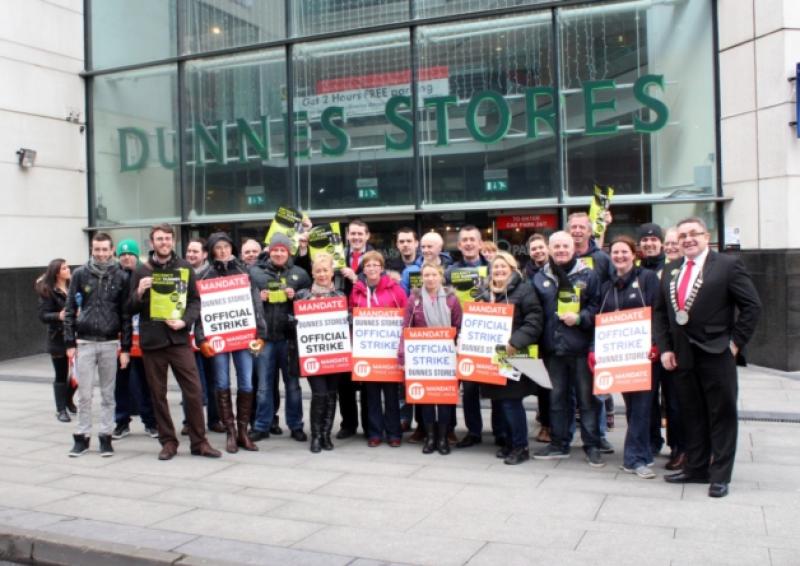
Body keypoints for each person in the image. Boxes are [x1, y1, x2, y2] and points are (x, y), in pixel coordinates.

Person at [655, 217, 761, 498]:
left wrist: (736, 343)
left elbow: (751, 306)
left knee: (721, 414)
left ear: (706, 236)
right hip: (682, 355)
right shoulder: (670, 270)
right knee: (692, 413)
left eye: (694, 234)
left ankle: (720, 475)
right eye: (683, 236)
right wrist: (665, 348)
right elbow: (661, 313)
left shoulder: (727, 265)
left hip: (717, 353)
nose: (688, 239)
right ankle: (697, 468)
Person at [129, 223, 221, 461]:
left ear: (173, 241)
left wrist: (185, 322)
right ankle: (168, 441)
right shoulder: (141, 270)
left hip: (178, 339)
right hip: (152, 342)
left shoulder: (184, 267)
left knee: (194, 391)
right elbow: (128, 308)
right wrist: (138, 293)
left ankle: (199, 442)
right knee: (157, 394)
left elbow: (195, 301)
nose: (164, 242)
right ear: (152, 243)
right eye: (159, 239)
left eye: (168, 238)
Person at [532, 231, 604, 467]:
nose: (561, 250)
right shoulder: (540, 278)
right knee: (557, 399)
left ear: (573, 249)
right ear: (550, 250)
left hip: (580, 348)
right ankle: (559, 443)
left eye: (565, 246)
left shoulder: (588, 274)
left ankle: (592, 445)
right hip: (553, 350)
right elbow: (536, 314)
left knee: (587, 401)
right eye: (557, 247)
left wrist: (581, 318)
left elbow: (597, 307)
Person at [194, 232, 266, 453]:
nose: (223, 251)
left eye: (226, 246)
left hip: (243, 337)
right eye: (218, 247)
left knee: (246, 383)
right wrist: (201, 338)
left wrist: (261, 333)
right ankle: (231, 432)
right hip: (218, 338)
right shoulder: (204, 275)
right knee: (222, 383)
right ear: (212, 250)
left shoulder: (245, 272)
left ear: (232, 248)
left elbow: (256, 304)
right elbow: (199, 310)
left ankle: (244, 431)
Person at [595, 236, 660, 478]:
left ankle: (634, 459)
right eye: (615, 253)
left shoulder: (647, 279)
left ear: (634, 254)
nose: (619, 256)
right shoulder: (607, 285)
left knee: (642, 406)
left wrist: (656, 344)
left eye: (624, 252)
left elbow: (657, 312)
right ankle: (647, 450)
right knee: (634, 407)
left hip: (645, 355)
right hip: (619, 358)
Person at [63, 232, 132, 457]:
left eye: (104, 249)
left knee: (108, 394)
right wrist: (69, 341)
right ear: (92, 249)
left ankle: (106, 436)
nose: (101, 253)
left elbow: (125, 315)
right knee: (84, 394)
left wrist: (126, 348)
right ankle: (82, 437)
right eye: (97, 249)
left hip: (110, 342)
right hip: (84, 342)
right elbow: (70, 309)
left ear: (112, 250)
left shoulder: (121, 276)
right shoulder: (80, 274)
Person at [479, 252, 544, 465]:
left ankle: (520, 446)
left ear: (512, 268)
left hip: (514, 355)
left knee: (511, 402)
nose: (498, 270)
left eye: (502, 267)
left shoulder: (524, 289)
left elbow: (534, 320)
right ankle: (508, 442)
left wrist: (515, 342)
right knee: (500, 402)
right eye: (495, 267)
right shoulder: (485, 292)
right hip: (493, 357)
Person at [249, 232, 312, 443]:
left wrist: (297, 297)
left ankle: (296, 426)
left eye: (282, 250)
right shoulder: (254, 272)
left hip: (289, 339)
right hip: (264, 338)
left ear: (288, 252)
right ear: (269, 251)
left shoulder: (300, 273)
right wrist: (258, 298)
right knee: (264, 386)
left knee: (293, 386)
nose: (278, 253)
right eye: (275, 249)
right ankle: (261, 426)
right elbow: (244, 301)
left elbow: (309, 301)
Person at [399, 262, 462, 455]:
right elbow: (406, 328)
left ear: (440, 276)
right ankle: (430, 437)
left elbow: (459, 327)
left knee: (443, 398)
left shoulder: (452, 299)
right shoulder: (414, 299)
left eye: (434, 275)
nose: (430, 279)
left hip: (445, 357)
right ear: (422, 277)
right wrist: (402, 356)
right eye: (426, 275)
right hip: (423, 357)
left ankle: (442, 438)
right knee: (425, 399)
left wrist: (459, 350)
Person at [637, 223, 685, 470]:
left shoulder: (675, 268)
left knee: (674, 399)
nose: (649, 244)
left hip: (670, 345)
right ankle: (652, 441)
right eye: (644, 241)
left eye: (654, 240)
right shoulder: (637, 270)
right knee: (647, 398)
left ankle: (678, 447)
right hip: (644, 346)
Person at [350, 251, 408, 447]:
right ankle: (375, 433)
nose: (372, 268)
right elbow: (352, 315)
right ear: (363, 269)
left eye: (376, 265)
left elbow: (405, 317)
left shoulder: (395, 289)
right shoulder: (357, 290)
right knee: (371, 395)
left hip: (390, 352)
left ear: (382, 268)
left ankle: (394, 433)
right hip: (367, 352)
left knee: (392, 395)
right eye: (368, 265)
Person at [295, 252, 346, 453]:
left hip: (334, 354)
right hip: (313, 354)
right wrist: (295, 321)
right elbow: (294, 326)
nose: (322, 274)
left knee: (332, 394)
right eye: (318, 271)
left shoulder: (340, 296)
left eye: (325, 270)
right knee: (319, 393)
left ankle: (326, 434)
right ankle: (315, 436)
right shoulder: (303, 296)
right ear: (312, 273)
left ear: (332, 272)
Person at [112, 239, 158, 440]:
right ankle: (121, 422)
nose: (126, 257)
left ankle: (150, 422)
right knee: (121, 384)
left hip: (144, 337)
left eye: (130, 254)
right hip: (121, 338)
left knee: (146, 383)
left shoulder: (146, 274)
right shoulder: (114, 277)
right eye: (122, 255)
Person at [336, 219, 374, 439]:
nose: (356, 237)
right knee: (344, 378)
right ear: (347, 236)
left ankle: (370, 426)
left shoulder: (375, 258)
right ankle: (348, 424)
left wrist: (357, 277)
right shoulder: (338, 255)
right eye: (353, 234)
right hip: (343, 322)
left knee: (368, 375)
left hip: (367, 323)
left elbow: (382, 282)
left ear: (367, 236)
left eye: (360, 234)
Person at [183, 238, 223, 434]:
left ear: (205, 254)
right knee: (189, 382)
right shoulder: (180, 273)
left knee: (213, 379)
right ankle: (189, 421)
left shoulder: (214, 274)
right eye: (189, 251)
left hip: (209, 335)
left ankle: (214, 420)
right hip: (185, 336)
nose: (191, 254)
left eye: (195, 251)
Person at [35, 258, 75, 423]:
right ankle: (61, 410)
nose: (68, 270)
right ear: (57, 273)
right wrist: (58, 315)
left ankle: (69, 400)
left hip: (75, 336)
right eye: (64, 268)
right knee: (61, 374)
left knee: (77, 375)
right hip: (57, 338)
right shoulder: (48, 291)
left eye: (67, 267)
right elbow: (43, 316)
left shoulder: (73, 286)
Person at [523, 233, 551, 443]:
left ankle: (550, 424)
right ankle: (546, 421)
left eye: (541, 247)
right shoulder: (526, 272)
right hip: (533, 334)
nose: (538, 251)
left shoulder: (554, 269)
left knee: (549, 383)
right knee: (538, 381)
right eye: (534, 248)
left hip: (550, 332)